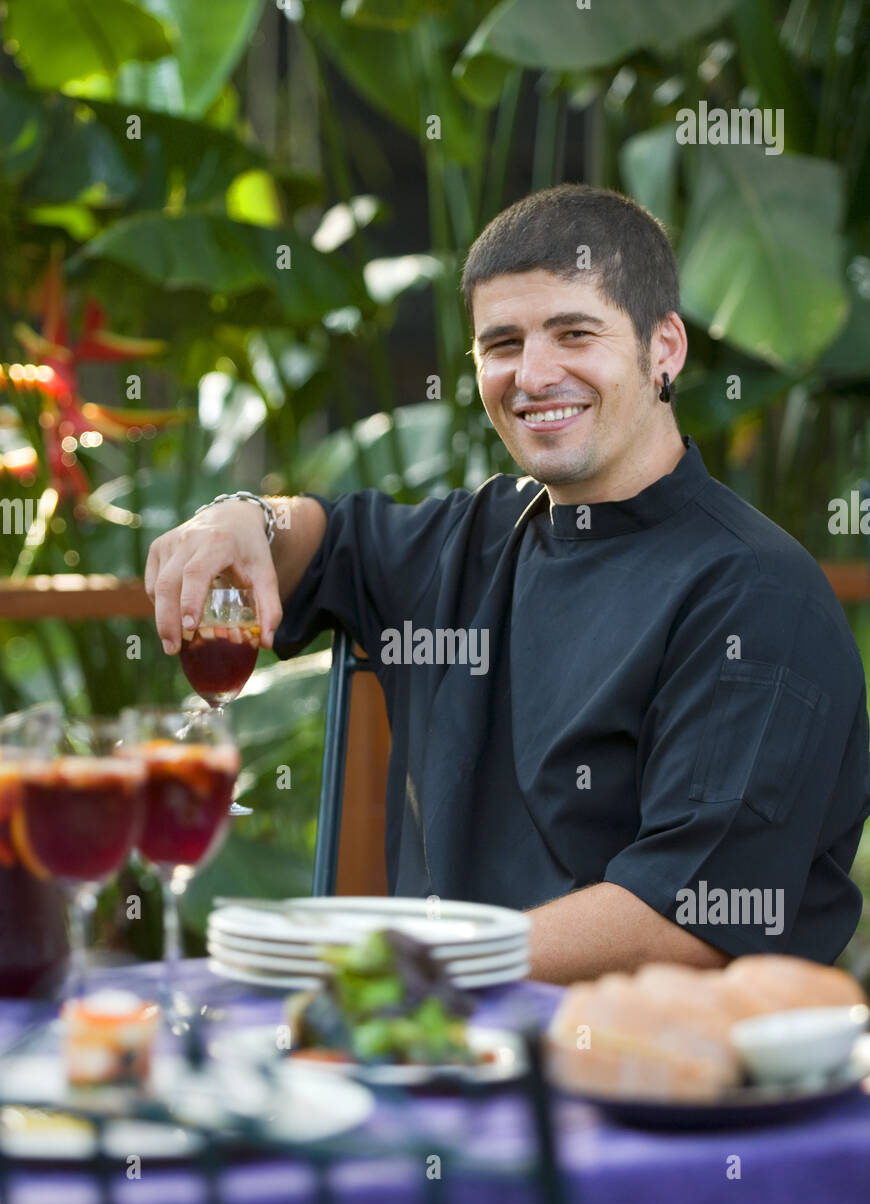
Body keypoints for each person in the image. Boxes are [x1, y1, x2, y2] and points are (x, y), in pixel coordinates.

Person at [145, 184, 870, 983]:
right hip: (429, 1047)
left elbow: (686, 922)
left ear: (664, 348)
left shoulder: (756, 596)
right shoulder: (470, 537)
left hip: (649, 1076)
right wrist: (240, 518)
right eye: (501, 344)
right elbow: (319, 538)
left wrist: (400, 964)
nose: (533, 374)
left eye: (574, 332)